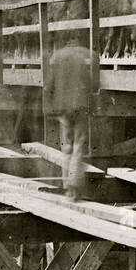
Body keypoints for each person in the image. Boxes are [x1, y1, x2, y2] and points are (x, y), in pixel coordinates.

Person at [44, 43, 93, 196]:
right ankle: (75, 185)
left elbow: (48, 85)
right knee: (79, 143)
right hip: (80, 106)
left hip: (63, 108)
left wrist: (50, 106)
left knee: (66, 146)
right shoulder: (83, 55)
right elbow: (92, 83)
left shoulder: (56, 57)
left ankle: (67, 185)